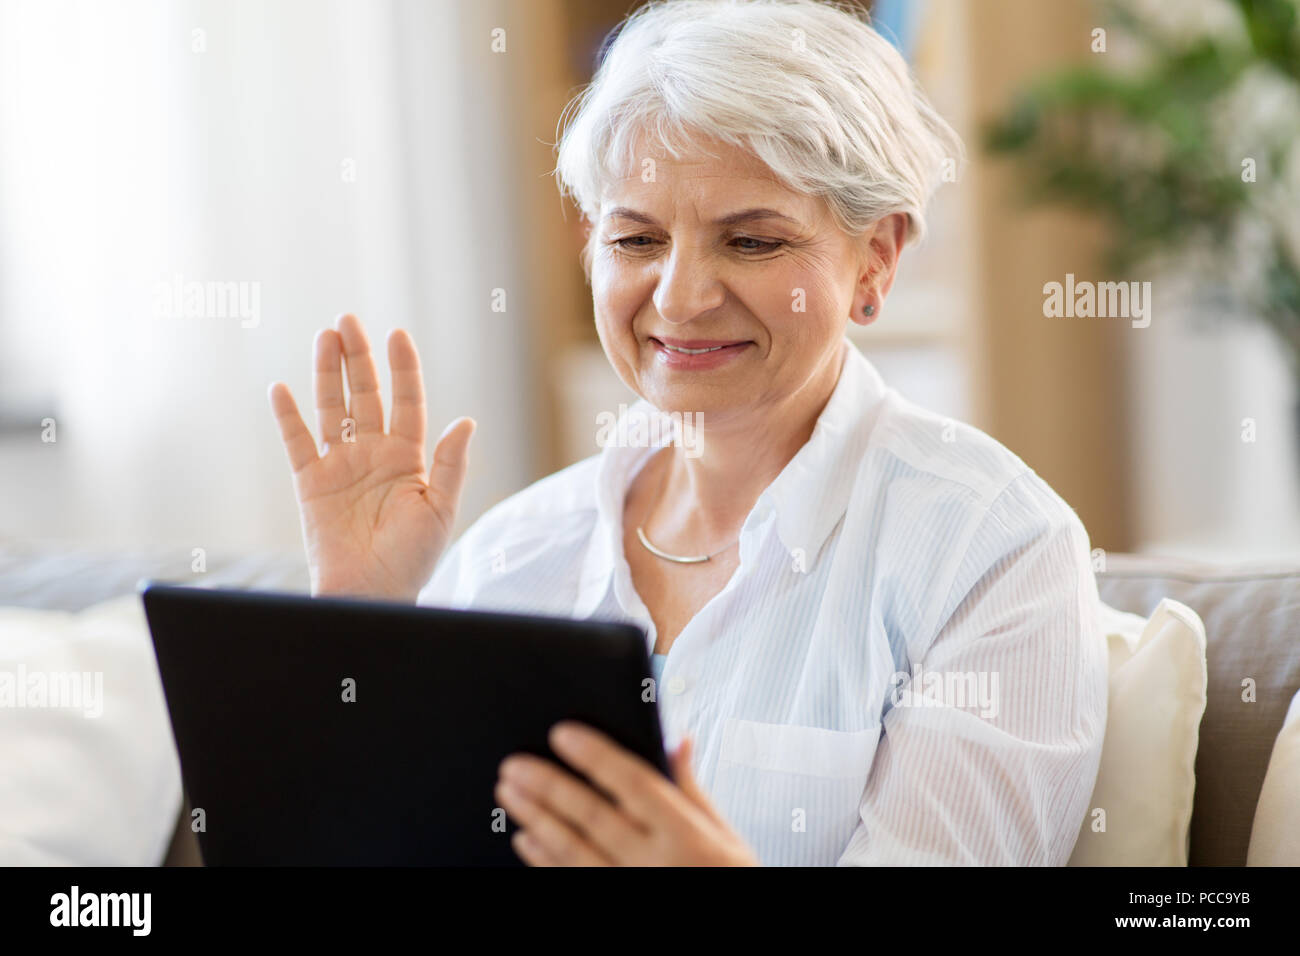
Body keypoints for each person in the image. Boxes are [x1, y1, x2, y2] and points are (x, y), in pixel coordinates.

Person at [268, 0, 1107, 866]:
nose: (678, 298)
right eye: (636, 239)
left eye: (750, 241)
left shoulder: (995, 550)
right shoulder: (510, 559)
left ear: (877, 258)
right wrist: (358, 628)